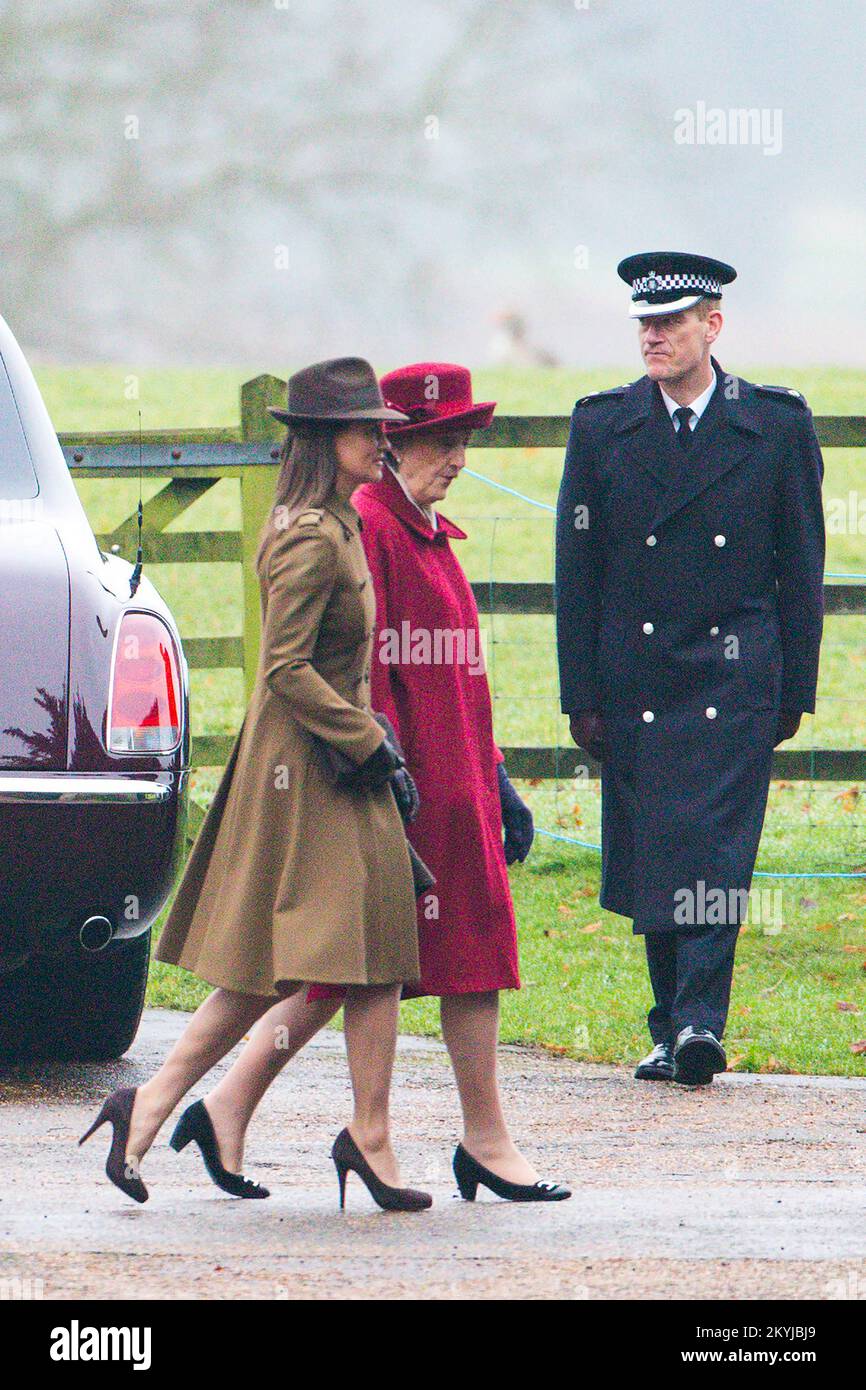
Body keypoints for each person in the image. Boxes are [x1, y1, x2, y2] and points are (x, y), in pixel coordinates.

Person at [190, 362, 570, 1203]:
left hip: (459, 777)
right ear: (389, 444)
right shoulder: (368, 528)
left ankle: (479, 1136)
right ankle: (233, 1105)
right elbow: (354, 672)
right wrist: (385, 775)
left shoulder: (427, 529)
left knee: (465, 954)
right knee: (353, 968)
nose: (460, 457)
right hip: (400, 784)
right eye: (443, 441)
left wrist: (498, 775)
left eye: (464, 440)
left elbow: (461, 677)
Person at [80, 357, 432, 1213]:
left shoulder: (342, 523)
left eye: (383, 429)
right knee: (320, 956)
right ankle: (350, 1135)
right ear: (321, 440)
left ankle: (157, 1108)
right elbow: (284, 669)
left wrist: (376, 740)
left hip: (340, 761)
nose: (382, 442)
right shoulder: (311, 534)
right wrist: (371, 743)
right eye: (365, 430)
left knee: (333, 956)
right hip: (311, 770)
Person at [555, 252, 825, 1086]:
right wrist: (582, 694)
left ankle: (701, 1020)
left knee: (715, 850)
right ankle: (670, 1024)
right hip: (637, 677)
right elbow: (579, 569)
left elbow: (801, 566)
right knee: (652, 852)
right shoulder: (603, 426)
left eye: (670, 322)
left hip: (735, 676)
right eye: (644, 322)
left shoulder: (774, 425)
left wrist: (795, 689)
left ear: (713, 326)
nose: (653, 337)